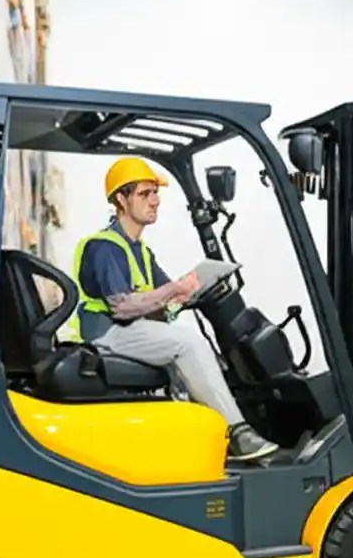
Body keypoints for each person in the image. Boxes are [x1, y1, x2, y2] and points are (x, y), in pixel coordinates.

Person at [72, 156, 281, 462]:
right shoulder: (104, 247)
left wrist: (193, 288)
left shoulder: (140, 250)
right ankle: (238, 433)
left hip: (128, 331)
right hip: (106, 333)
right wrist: (175, 290)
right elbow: (122, 307)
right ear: (121, 199)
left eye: (156, 193)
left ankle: (202, 439)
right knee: (187, 343)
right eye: (145, 194)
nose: (155, 201)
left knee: (202, 354)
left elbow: (165, 292)